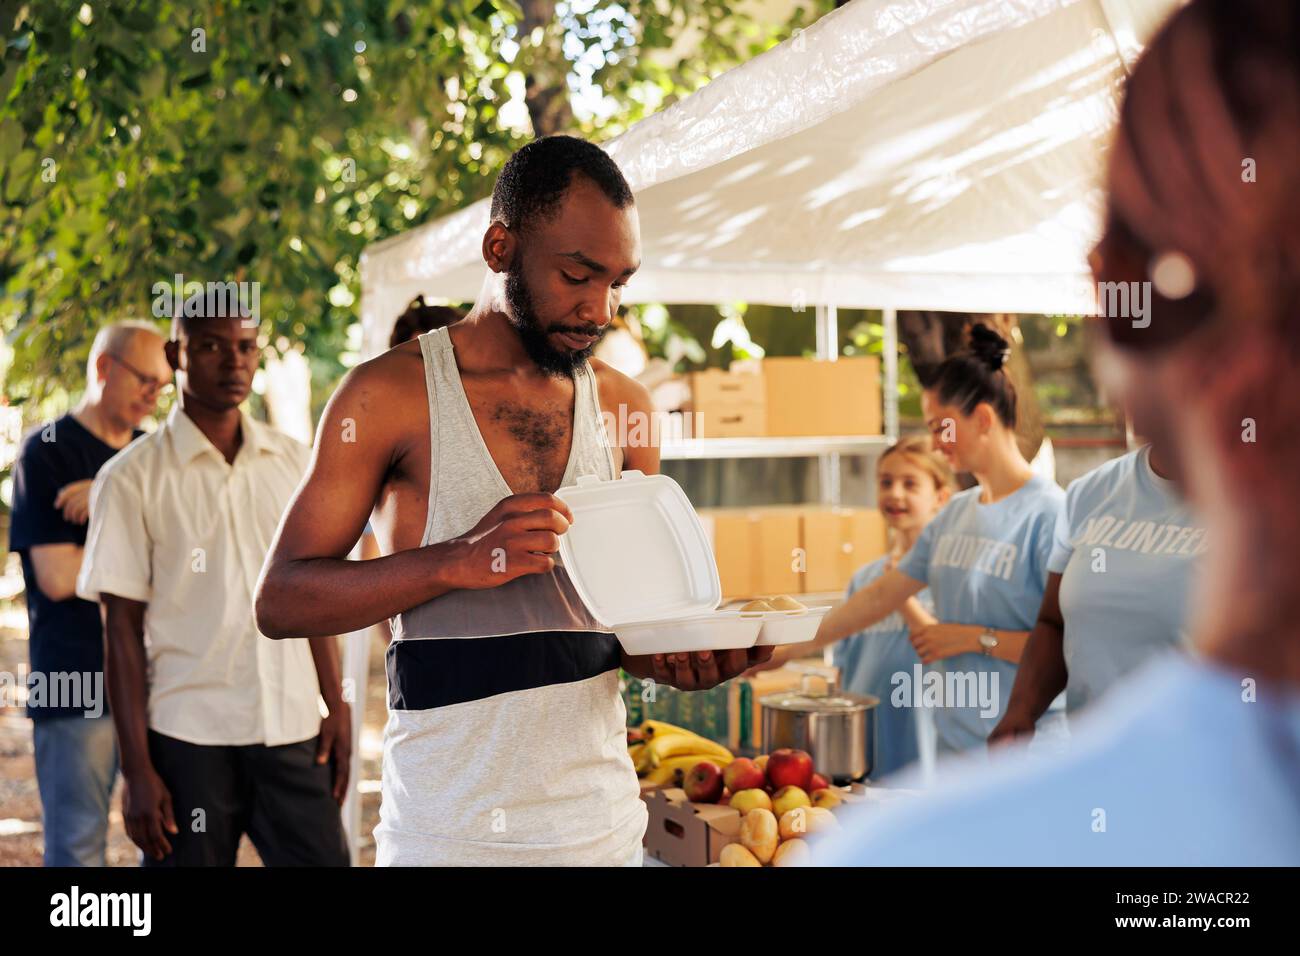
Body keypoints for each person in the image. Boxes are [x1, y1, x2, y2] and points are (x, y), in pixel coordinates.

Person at [818, 0, 1300, 865]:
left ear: (1115, 298)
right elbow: (1048, 625)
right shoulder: (1083, 499)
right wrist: (1017, 724)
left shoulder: (930, 850)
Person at [255, 135, 772, 866]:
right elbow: (280, 599)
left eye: (619, 281)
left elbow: (620, 635)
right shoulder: (385, 396)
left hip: (603, 835)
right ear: (501, 247)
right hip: (447, 839)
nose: (602, 309)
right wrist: (454, 561)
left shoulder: (626, 408)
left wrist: (686, 658)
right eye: (577, 275)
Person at [76, 296, 350, 866]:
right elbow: (120, 632)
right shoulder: (129, 479)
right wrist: (138, 770)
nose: (233, 362)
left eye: (246, 347)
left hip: (291, 728)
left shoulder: (296, 462)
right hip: (187, 743)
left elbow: (311, 595)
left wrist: (336, 706)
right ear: (176, 353)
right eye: (211, 346)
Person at [759, 325, 1066, 759]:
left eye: (943, 427)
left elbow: (1069, 647)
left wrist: (975, 638)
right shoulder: (956, 514)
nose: (937, 444)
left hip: (1025, 753)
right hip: (954, 751)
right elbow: (878, 597)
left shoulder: (1051, 514)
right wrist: (787, 648)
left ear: (982, 419)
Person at [8, 321, 169, 866]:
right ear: (104, 368)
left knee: (172, 835)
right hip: (76, 683)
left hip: (159, 681)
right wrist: (150, 564)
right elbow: (57, 577)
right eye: (145, 379)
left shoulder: (155, 454)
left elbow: (189, 561)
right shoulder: (45, 452)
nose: (155, 394)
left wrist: (104, 494)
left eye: (162, 385)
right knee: (77, 847)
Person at [990, 439, 1205, 743]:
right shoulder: (1089, 492)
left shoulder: (1264, 499)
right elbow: (1054, 622)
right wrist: (1021, 711)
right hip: (1095, 757)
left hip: (1205, 762)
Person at [830, 438, 952, 779]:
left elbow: (946, 654)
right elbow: (843, 668)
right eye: (886, 482)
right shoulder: (863, 579)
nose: (895, 493)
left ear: (940, 498)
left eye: (910, 484)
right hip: (867, 755)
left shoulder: (949, 577)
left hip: (924, 753)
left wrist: (898, 593)